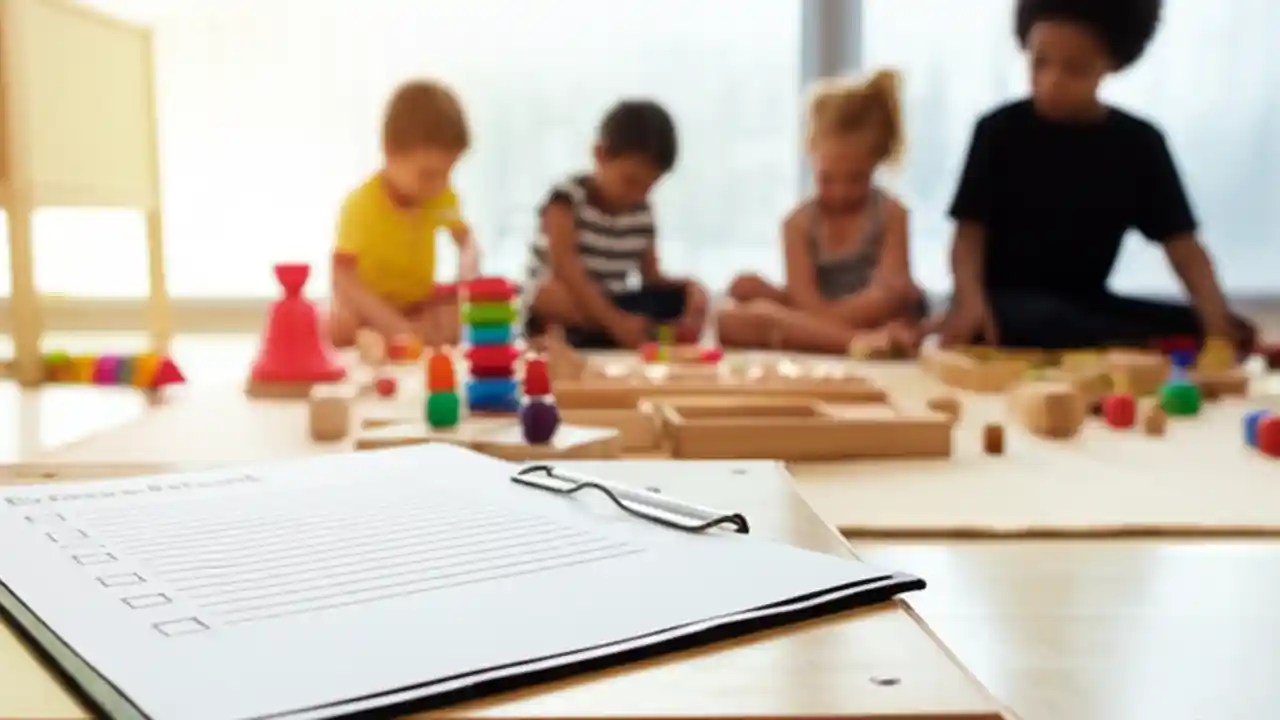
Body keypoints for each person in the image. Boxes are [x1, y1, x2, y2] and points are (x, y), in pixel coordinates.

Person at [935, 0, 1256, 353]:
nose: (1052, 81)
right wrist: (968, 302)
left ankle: (1134, 343)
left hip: (1087, 303)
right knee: (1044, 320)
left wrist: (1217, 326)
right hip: (1005, 304)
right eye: (1040, 63)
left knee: (1220, 324)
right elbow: (968, 236)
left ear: (1112, 64)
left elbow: (1184, 248)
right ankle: (1136, 345)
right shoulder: (997, 131)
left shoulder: (1139, 143)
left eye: (1074, 69)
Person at [718, 70, 925, 357]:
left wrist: (806, 321)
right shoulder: (798, 223)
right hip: (837, 324)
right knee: (737, 303)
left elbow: (888, 296)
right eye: (827, 179)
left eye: (855, 179)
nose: (840, 192)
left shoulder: (891, 214)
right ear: (811, 159)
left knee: (902, 298)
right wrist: (805, 317)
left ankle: (840, 339)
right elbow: (806, 304)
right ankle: (855, 342)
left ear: (877, 165)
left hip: (872, 322)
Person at [523, 100, 708, 349]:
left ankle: (622, 333)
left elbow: (651, 277)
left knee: (677, 301)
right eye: (630, 181)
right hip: (572, 302)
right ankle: (609, 333)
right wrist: (615, 322)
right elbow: (565, 268)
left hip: (613, 300)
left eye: (648, 187)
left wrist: (690, 289)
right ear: (600, 155)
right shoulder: (566, 200)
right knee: (547, 295)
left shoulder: (642, 211)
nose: (637, 195)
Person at [329, 80, 479, 347]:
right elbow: (343, 277)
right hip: (370, 308)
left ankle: (403, 338)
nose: (440, 185)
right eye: (428, 174)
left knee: (458, 315)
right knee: (340, 322)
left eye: (447, 173)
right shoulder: (360, 205)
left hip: (418, 304)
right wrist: (389, 322)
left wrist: (467, 267)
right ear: (389, 151)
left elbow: (466, 240)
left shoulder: (441, 197)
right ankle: (384, 338)